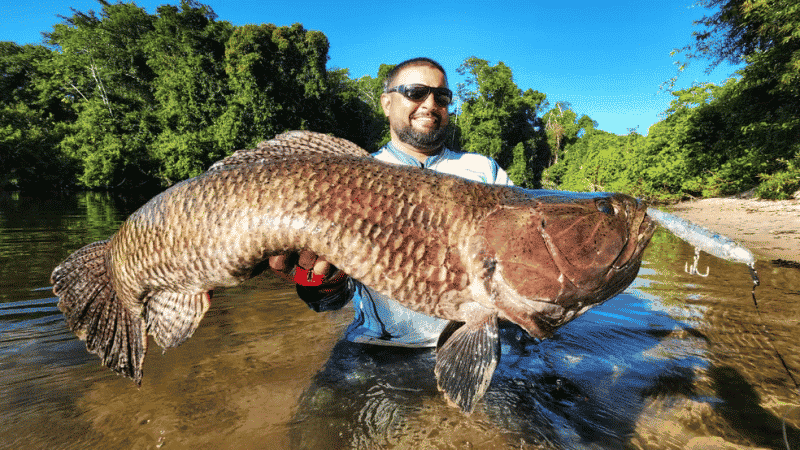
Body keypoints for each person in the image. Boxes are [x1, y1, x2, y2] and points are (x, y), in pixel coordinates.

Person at [268, 57, 513, 348]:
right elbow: (329, 303)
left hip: (476, 341)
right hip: (378, 349)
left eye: (442, 96)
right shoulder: (347, 176)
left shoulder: (486, 171)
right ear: (386, 103)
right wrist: (317, 283)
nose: (431, 104)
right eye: (415, 92)